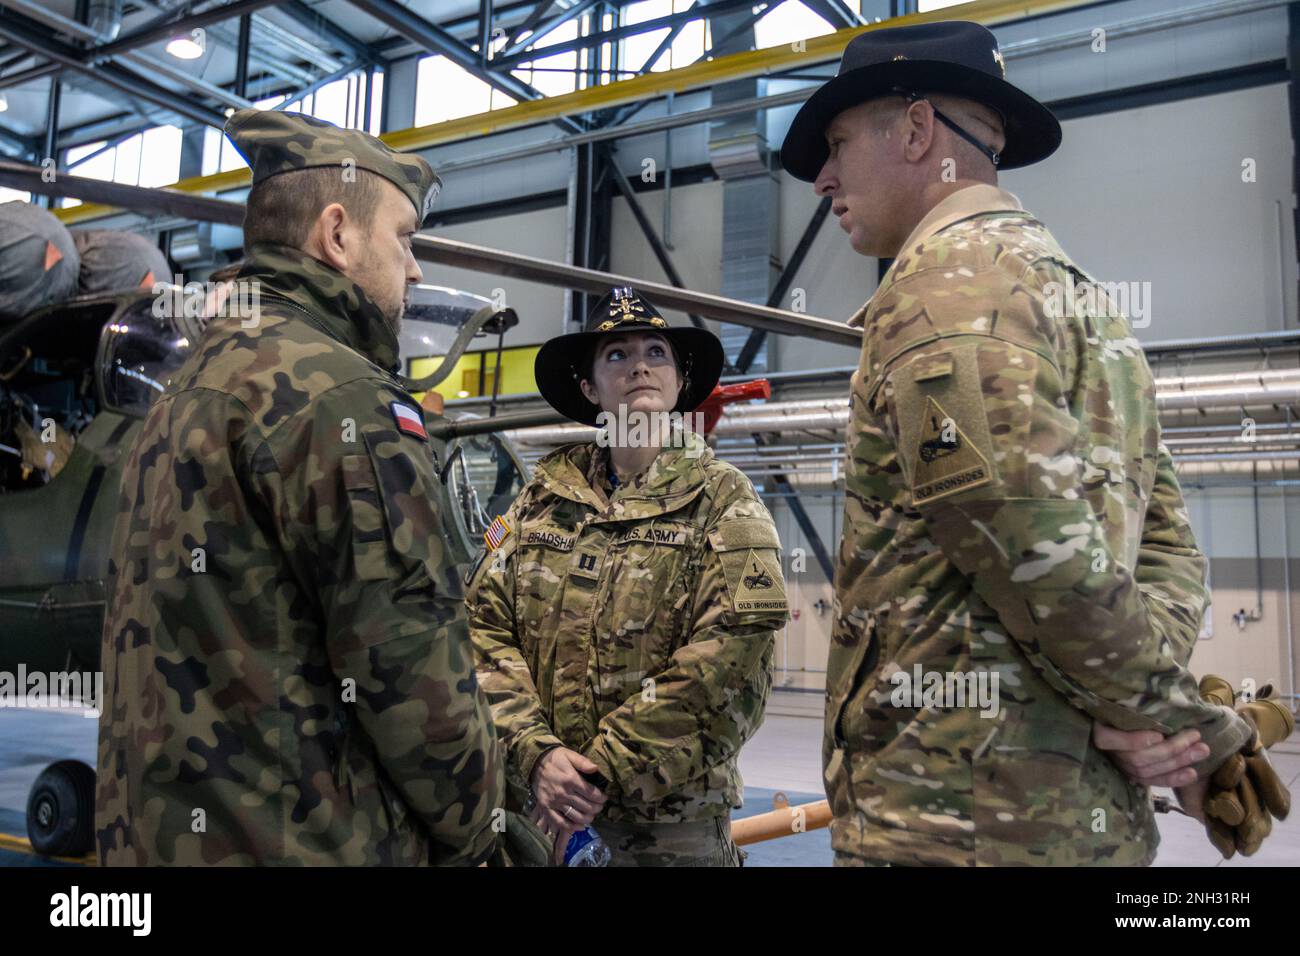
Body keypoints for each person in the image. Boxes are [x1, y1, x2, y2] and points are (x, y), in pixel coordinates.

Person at [780, 20, 1261, 865]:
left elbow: (1020, 537)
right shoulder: (1090, 306)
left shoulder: (940, 295)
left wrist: (1176, 724)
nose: (823, 178)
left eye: (839, 142)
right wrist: (1156, 716)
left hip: (956, 816)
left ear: (918, 130)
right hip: (1075, 810)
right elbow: (1169, 545)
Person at [95, 108, 503, 866]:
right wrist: (492, 832)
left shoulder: (181, 395)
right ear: (339, 233)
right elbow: (414, 681)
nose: (413, 269)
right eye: (404, 238)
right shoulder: (343, 398)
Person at [466, 287, 787, 866]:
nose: (639, 364)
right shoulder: (539, 501)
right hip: (536, 818)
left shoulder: (724, 501)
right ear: (589, 388)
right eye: (616, 354)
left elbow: (731, 661)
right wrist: (536, 755)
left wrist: (594, 775)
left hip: (667, 833)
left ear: (680, 380)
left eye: (655, 351)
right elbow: (482, 628)